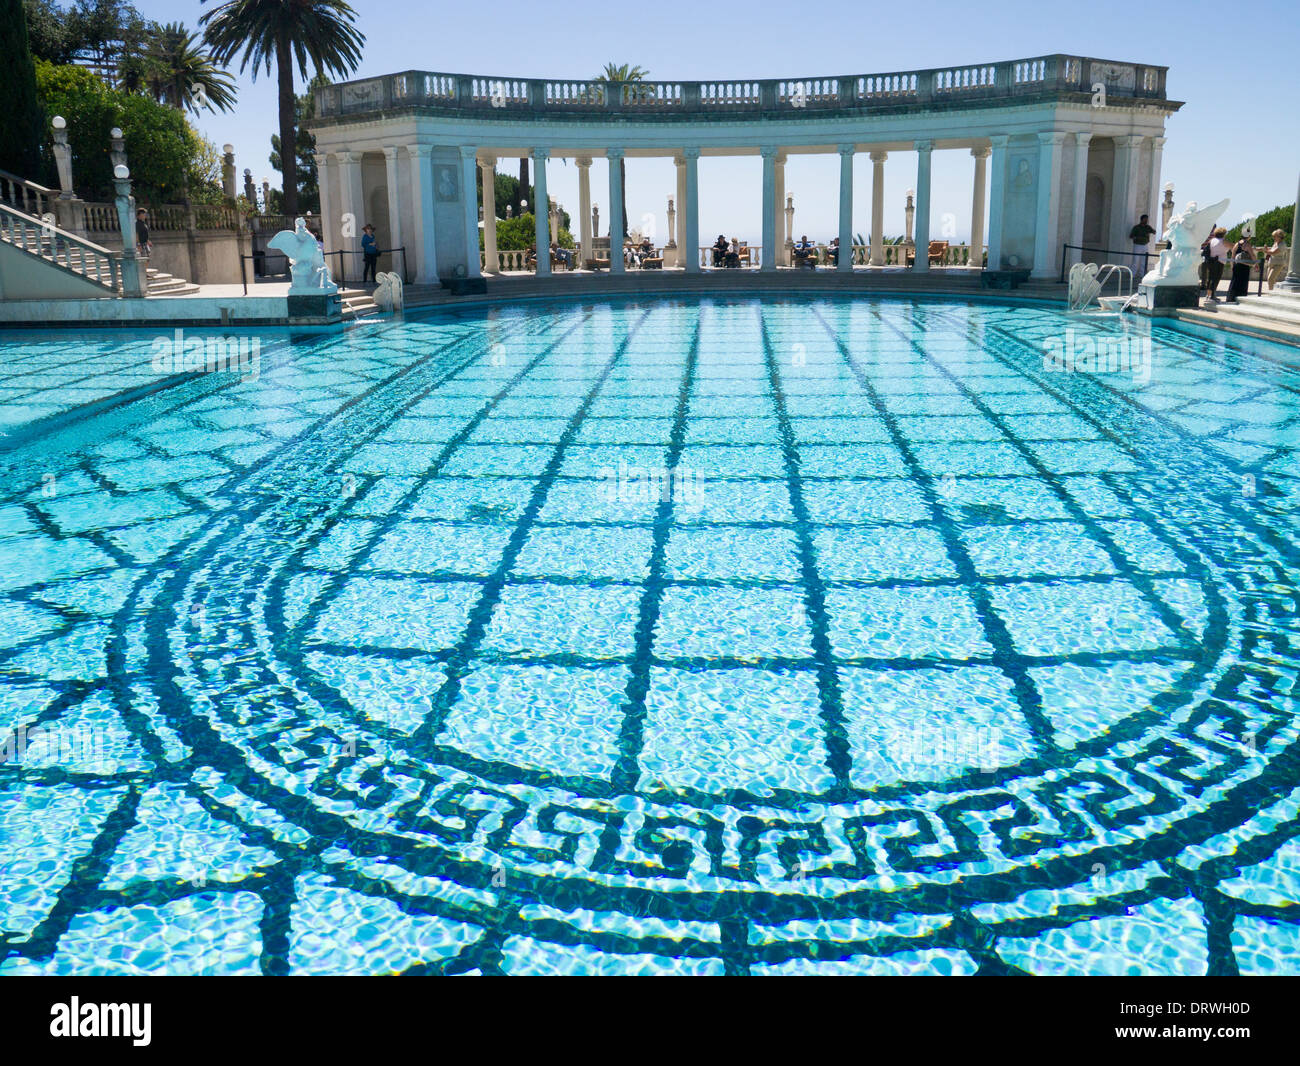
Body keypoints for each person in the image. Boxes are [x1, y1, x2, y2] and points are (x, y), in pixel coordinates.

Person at [1225, 235, 1257, 303]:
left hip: (1236, 265)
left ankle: (1231, 298)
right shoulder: (1247, 244)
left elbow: (1232, 256)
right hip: (1244, 266)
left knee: (1234, 282)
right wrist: (1256, 264)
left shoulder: (1237, 244)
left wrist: (1232, 266)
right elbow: (1252, 255)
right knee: (1243, 282)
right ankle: (1241, 298)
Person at [1203, 227, 1230, 303]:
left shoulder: (1211, 241)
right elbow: (1233, 246)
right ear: (1223, 234)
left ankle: (1208, 295)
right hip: (1219, 262)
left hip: (1211, 261)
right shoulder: (1223, 241)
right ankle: (1212, 296)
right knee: (1216, 279)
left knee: (1210, 278)